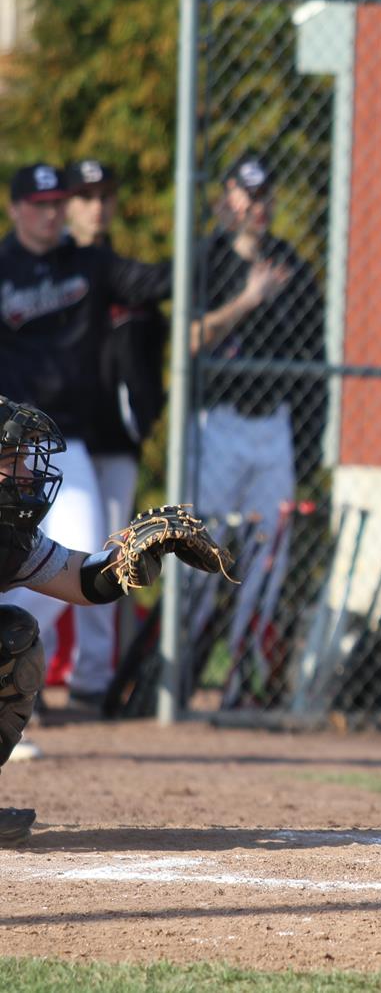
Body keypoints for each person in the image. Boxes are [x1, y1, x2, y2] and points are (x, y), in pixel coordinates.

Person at [0, 396, 231, 846]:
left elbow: (81, 581)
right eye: (13, 459)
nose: (28, 473)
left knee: (14, 643)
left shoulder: (9, 537)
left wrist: (134, 559)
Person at [0, 164, 169, 716]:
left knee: (81, 542)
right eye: (40, 204)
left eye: (57, 204)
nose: (50, 214)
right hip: (4, 442)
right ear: (15, 208)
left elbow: (158, 282)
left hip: (61, 443)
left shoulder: (90, 262)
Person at [191, 153, 325, 695]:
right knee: (205, 544)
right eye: (248, 195)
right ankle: (185, 667)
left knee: (268, 556)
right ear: (228, 198)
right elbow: (193, 339)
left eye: (265, 194)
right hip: (219, 424)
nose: (258, 206)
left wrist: (306, 442)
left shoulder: (291, 264)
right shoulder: (208, 259)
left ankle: (242, 680)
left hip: (273, 426)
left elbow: (313, 360)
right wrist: (248, 300)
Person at [61, 159, 169, 713]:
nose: (96, 206)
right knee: (46, 552)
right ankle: (34, 664)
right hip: (58, 437)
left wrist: (144, 414)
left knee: (108, 557)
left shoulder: (120, 269)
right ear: (66, 204)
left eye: (105, 195)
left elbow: (155, 330)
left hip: (113, 440)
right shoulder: (51, 270)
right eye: (85, 196)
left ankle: (91, 681)